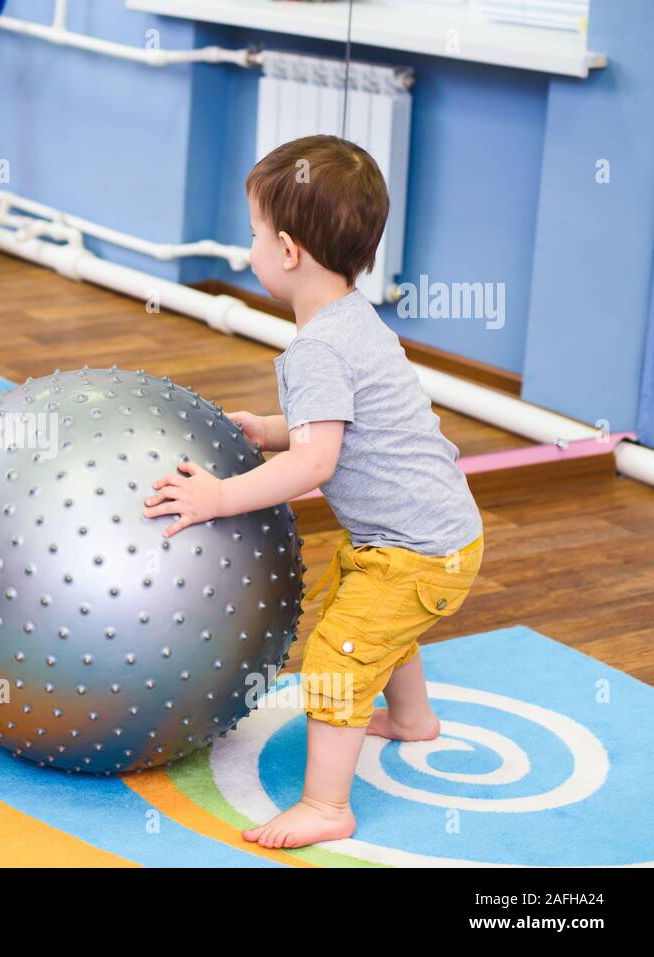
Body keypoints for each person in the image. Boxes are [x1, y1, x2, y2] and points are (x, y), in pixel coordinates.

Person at [142, 134, 484, 849]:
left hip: (415, 549)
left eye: (256, 236)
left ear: (290, 252)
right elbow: (327, 426)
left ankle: (328, 805)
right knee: (375, 618)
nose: (251, 250)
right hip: (436, 536)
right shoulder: (350, 319)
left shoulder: (319, 348)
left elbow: (315, 463)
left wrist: (219, 496)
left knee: (339, 652)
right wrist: (270, 427)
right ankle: (415, 720)